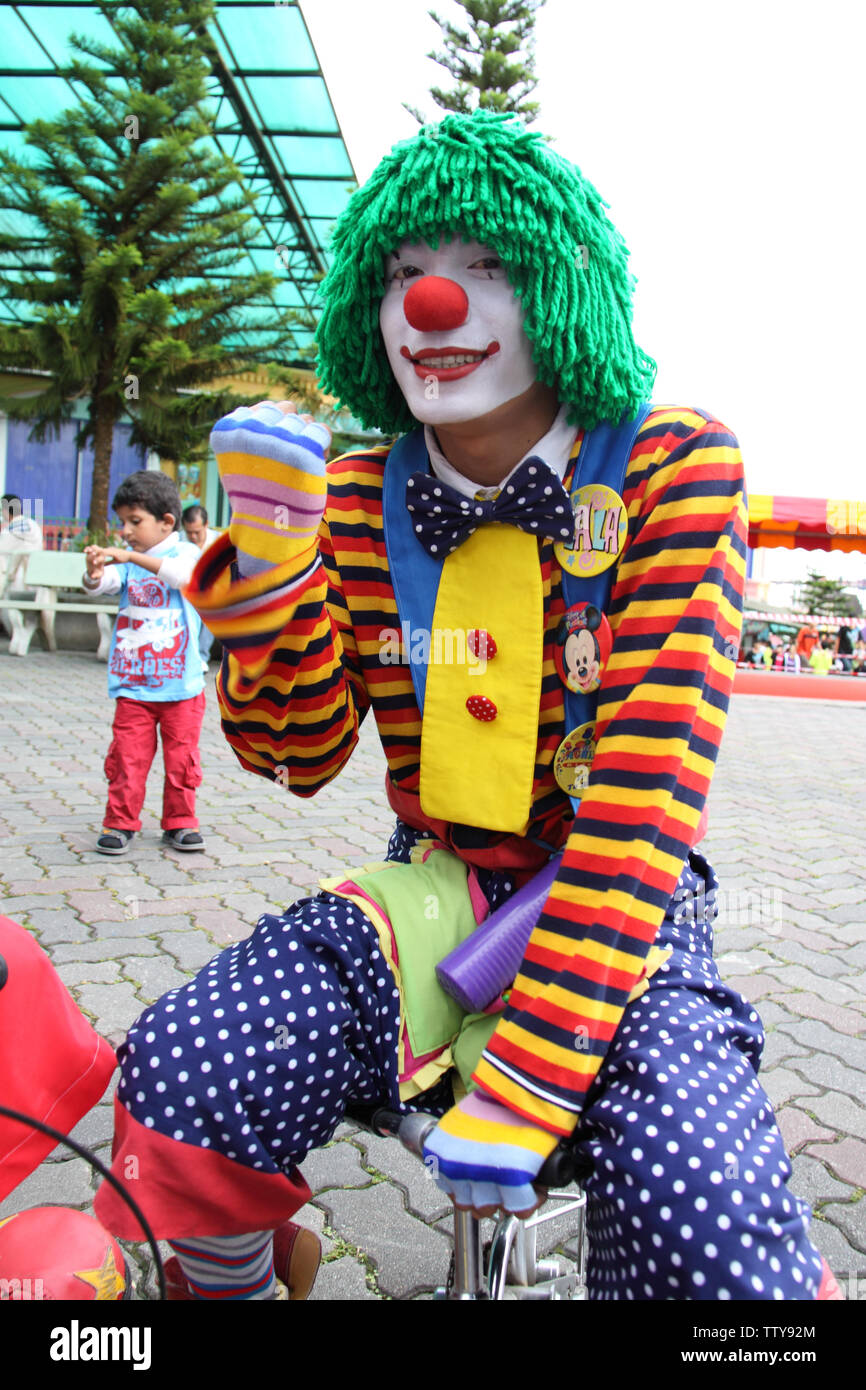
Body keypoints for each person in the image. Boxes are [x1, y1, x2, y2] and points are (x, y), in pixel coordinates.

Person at [93, 111, 838, 1301]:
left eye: (485, 265)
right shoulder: (351, 492)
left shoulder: (667, 463)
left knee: (704, 1214)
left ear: (560, 280)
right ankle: (234, 1274)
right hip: (433, 882)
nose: (433, 306)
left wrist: (531, 1076)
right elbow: (295, 753)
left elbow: (646, 800)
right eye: (403, 273)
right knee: (184, 1066)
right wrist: (268, 576)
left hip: (619, 889)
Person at [83, 471, 207, 856]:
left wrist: (132, 555)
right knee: (126, 758)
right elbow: (103, 584)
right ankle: (120, 823)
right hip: (134, 688)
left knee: (181, 760)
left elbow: (184, 578)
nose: (126, 531)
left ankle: (180, 822)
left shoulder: (185, 553)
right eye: (122, 522)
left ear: (166, 522)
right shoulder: (129, 563)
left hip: (182, 688)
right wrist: (94, 573)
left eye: (135, 522)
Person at [182, 504, 220, 671]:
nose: (193, 536)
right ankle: (188, 656)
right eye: (189, 532)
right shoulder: (180, 542)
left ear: (206, 524)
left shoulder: (219, 541)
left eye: (197, 532)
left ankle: (201, 657)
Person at [0, 492, 43, 594]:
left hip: (15, 582)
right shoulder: (33, 525)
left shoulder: (10, 531)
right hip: (37, 579)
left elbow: (2, 555)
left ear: (6, 511)